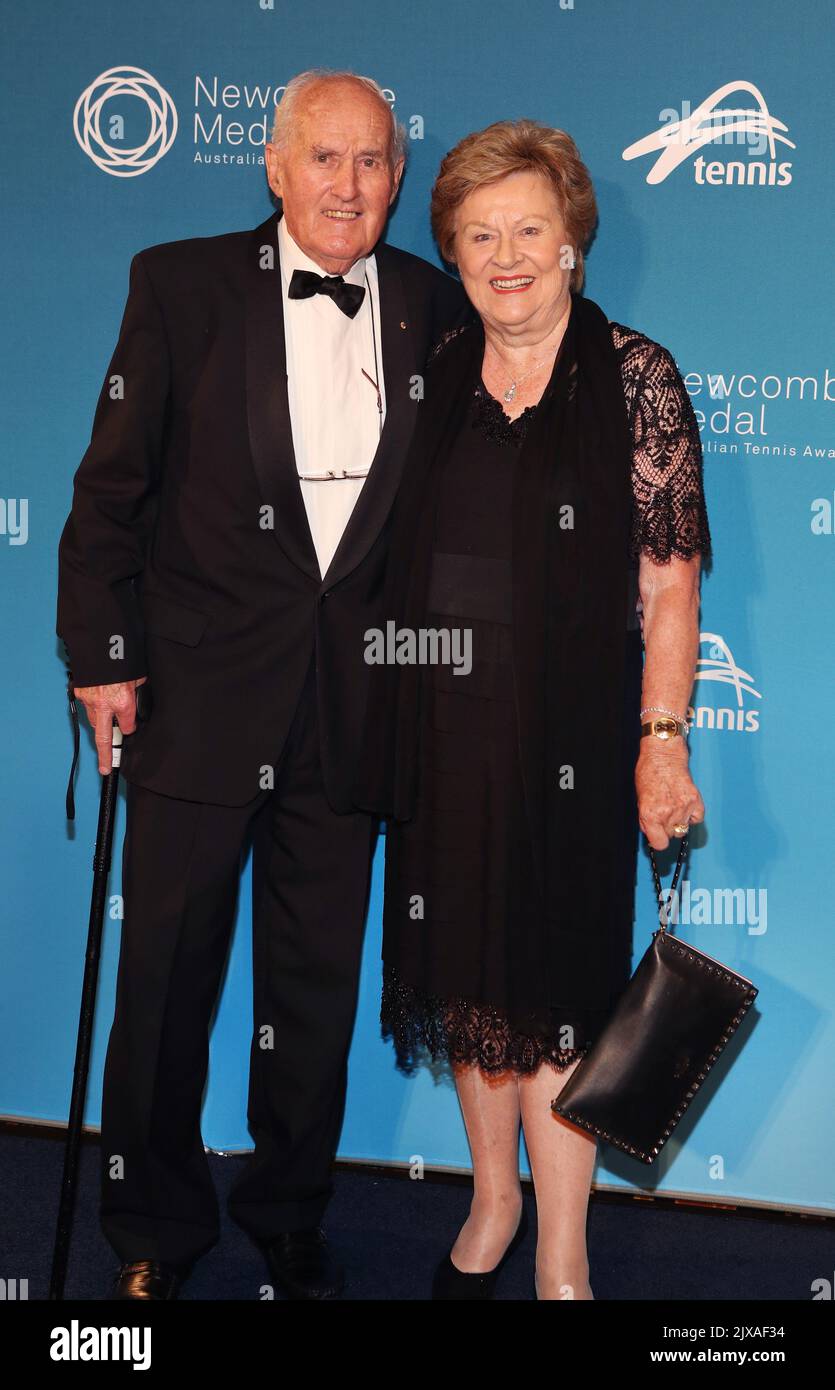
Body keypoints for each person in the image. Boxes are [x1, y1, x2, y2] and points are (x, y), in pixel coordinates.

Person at [56, 69, 467, 1301]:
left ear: (400, 178)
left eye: (375, 160)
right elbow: (109, 489)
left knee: (314, 980)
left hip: (354, 710)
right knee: (166, 976)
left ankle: (289, 1208)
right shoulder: (178, 284)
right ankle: (148, 1230)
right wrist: (103, 656)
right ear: (275, 167)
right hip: (196, 692)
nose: (352, 185)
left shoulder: (437, 310)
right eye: (326, 158)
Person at [355, 119, 712, 1300]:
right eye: (476, 235)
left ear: (571, 243)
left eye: (528, 230)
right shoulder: (442, 371)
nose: (504, 254)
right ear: (451, 253)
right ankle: (492, 1193)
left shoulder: (635, 375)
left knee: (559, 986)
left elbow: (667, 581)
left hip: (570, 730)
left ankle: (562, 1240)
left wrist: (661, 744)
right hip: (442, 725)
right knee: (465, 974)